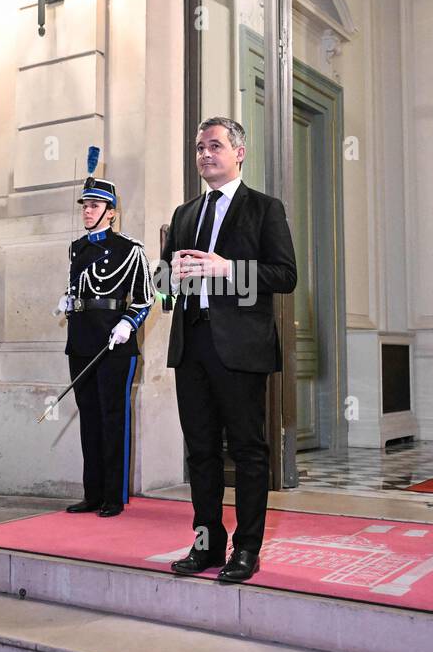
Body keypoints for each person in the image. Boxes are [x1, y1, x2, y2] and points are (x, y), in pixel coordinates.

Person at [161, 116, 297, 584]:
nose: (204, 154)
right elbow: (162, 289)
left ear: (239, 152)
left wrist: (227, 269)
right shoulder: (184, 214)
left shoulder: (264, 208)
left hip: (240, 348)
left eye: (214, 146)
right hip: (191, 344)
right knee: (200, 451)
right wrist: (167, 282)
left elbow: (285, 275)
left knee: (248, 450)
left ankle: (247, 549)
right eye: (199, 147)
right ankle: (206, 543)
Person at [54, 177, 153, 518]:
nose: (87, 211)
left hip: (114, 344)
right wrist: (67, 301)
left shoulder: (130, 250)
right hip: (81, 341)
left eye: (94, 206)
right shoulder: (76, 248)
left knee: (114, 418)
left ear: (111, 212)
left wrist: (129, 323)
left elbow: (145, 298)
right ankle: (92, 493)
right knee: (90, 418)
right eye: (84, 205)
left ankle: (114, 495)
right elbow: (79, 288)